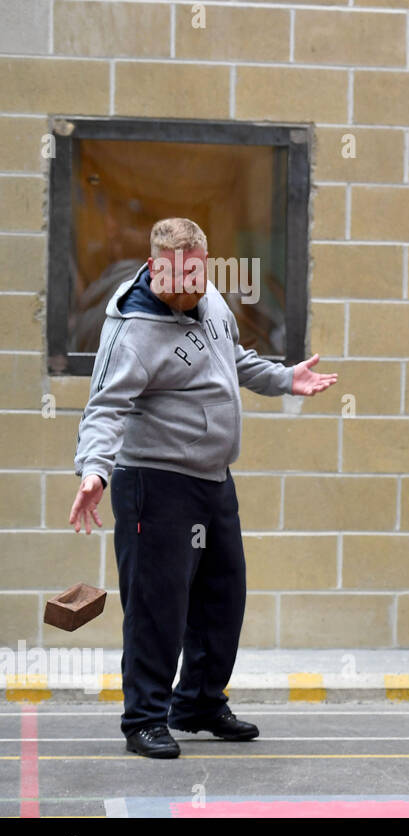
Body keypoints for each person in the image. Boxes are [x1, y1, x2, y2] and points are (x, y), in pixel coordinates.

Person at [69, 217, 339, 758]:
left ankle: (197, 702)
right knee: (156, 606)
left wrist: (285, 378)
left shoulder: (208, 295)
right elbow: (105, 407)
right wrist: (94, 470)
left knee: (222, 598)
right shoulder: (133, 329)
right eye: (178, 281)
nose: (189, 290)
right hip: (155, 482)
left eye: (197, 278)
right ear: (153, 267)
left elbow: (230, 359)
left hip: (214, 480)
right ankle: (144, 719)